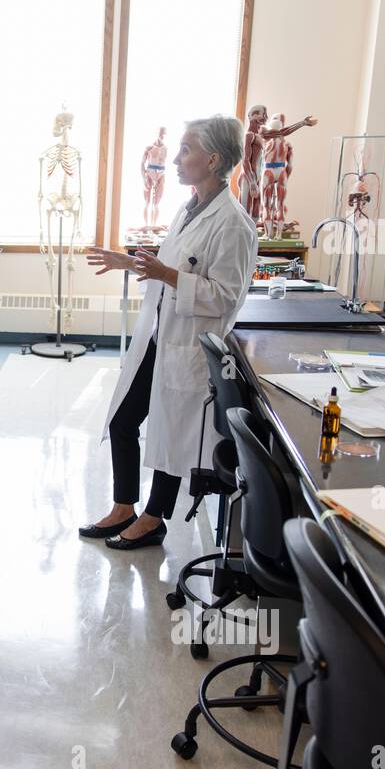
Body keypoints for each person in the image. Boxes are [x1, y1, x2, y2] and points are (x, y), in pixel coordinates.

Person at [80, 115, 258, 549]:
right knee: (125, 420)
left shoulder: (233, 223)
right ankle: (124, 506)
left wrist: (168, 274)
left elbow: (226, 297)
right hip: (160, 335)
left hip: (190, 346)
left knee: (172, 430)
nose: (174, 160)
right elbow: (174, 265)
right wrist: (134, 263)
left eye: (185, 150)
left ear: (213, 159)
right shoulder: (190, 206)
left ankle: (153, 518)